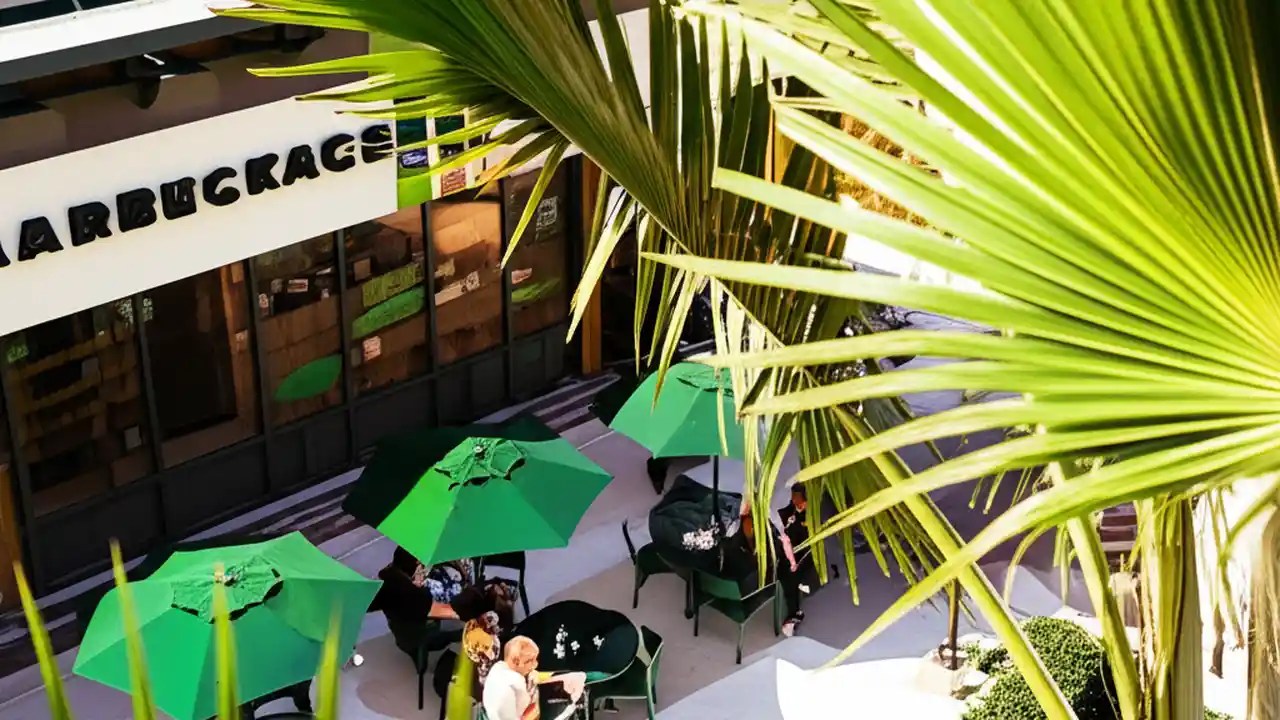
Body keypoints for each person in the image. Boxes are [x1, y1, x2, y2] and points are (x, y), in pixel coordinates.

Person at [723, 499, 805, 636]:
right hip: (751, 593)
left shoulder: (732, 539)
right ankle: (794, 614)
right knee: (789, 570)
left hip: (726, 589)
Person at [483, 636, 586, 720]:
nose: (535, 665)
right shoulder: (509, 688)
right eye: (530, 660)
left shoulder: (501, 672)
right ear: (516, 661)